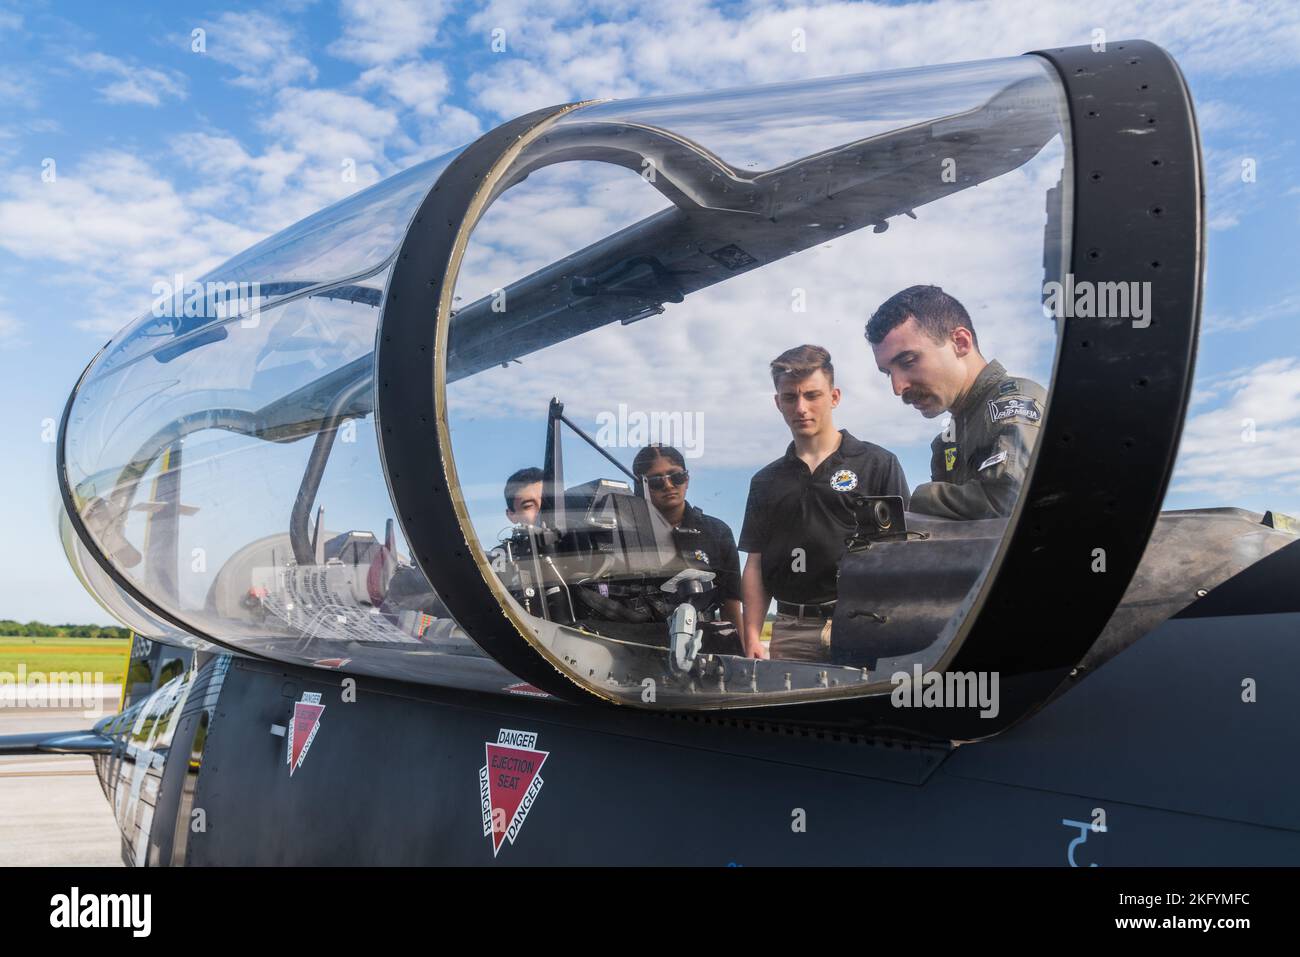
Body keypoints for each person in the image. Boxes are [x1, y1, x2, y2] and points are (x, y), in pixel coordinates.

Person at [738, 345, 910, 661]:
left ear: (834, 397)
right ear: (778, 403)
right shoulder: (765, 482)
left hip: (866, 625)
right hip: (791, 632)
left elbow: (905, 555)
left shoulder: (878, 464)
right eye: (790, 397)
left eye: (812, 395)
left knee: (863, 711)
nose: (801, 407)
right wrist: (751, 635)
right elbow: (755, 563)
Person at [866, 285, 1046, 520]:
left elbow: (1008, 499)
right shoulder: (947, 441)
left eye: (908, 361)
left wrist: (920, 499)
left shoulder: (1016, 402)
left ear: (960, 342)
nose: (898, 388)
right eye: (888, 373)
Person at [631, 444, 744, 635]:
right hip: (638, 643)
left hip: (702, 643)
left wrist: (740, 654)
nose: (668, 486)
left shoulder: (717, 532)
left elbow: (731, 603)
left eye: (676, 477)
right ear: (640, 486)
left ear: (687, 479)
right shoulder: (627, 534)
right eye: (656, 481)